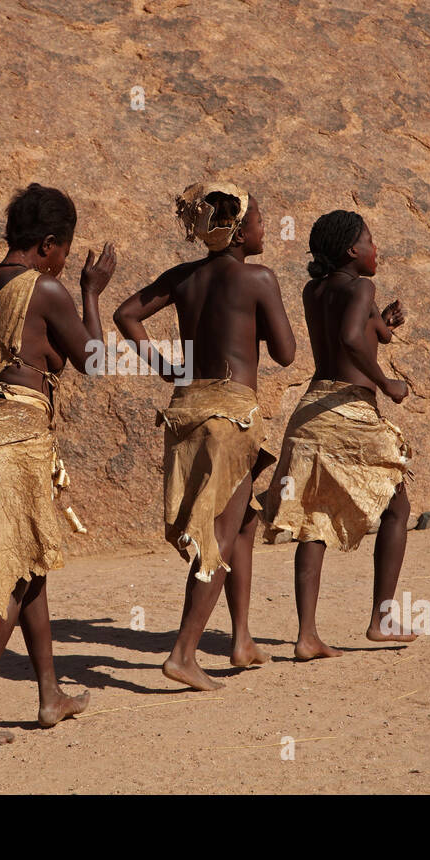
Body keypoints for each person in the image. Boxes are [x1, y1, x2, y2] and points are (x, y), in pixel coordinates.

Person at [0, 182, 116, 745]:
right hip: (12, 444)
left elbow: (34, 350)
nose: (65, 260)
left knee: (27, 561)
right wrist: (91, 292)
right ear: (47, 244)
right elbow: (92, 360)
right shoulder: (47, 289)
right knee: (9, 576)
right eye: (64, 250)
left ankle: (49, 695)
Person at [114, 181, 295, 691]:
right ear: (237, 231)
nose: (263, 226)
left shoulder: (183, 278)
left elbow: (125, 313)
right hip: (232, 414)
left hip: (187, 408)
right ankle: (183, 653)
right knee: (218, 534)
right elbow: (285, 353)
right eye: (257, 218)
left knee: (242, 526)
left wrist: (167, 368)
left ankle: (240, 639)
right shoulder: (258, 278)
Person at [260, 209, 415, 659]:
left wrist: (384, 320)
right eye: (370, 239)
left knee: (313, 518)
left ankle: (307, 635)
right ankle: (382, 619)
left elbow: (369, 333)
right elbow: (351, 337)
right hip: (349, 409)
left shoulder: (316, 289)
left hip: (311, 409)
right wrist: (387, 383)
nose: (376, 247)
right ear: (352, 250)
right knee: (397, 506)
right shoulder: (362, 286)